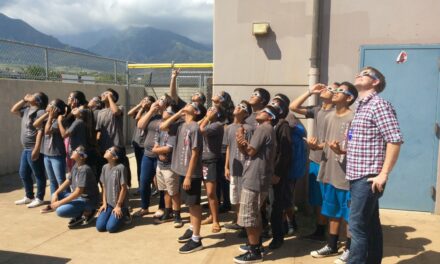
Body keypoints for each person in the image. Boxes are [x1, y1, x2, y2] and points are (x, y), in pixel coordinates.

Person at [344, 67, 403, 264]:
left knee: (357, 227)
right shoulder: (360, 107)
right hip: (356, 175)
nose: (359, 74)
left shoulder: (379, 105)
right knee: (370, 225)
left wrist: (383, 174)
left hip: (367, 177)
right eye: (359, 72)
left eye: (366, 73)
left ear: (376, 82)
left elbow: (394, 140)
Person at [309, 82, 358, 264]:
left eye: (341, 91)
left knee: (348, 215)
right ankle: (331, 245)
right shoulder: (329, 117)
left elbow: (354, 146)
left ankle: (350, 250)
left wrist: (342, 152)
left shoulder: (353, 118)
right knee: (332, 211)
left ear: (350, 98)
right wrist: (315, 146)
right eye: (336, 90)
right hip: (328, 171)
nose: (336, 92)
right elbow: (326, 144)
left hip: (346, 175)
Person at [289, 82, 338, 241]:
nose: (325, 89)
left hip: (330, 161)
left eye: (330, 89)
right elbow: (294, 107)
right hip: (315, 159)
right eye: (326, 87)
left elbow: (337, 141)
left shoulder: (337, 112)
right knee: (317, 197)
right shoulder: (317, 110)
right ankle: (319, 230)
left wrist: (318, 146)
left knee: (327, 198)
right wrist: (311, 91)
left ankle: (330, 234)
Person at [234, 105, 279, 263]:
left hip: (255, 178)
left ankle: (254, 252)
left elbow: (250, 151)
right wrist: (241, 141)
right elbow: (247, 151)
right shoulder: (268, 129)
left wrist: (241, 138)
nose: (259, 112)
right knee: (255, 214)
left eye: (264, 111)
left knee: (249, 216)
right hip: (258, 177)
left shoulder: (264, 128)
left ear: (270, 117)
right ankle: (257, 245)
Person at [160, 102, 206, 254]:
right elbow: (163, 126)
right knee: (189, 204)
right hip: (181, 171)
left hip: (190, 174)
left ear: (196, 111)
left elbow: (195, 153)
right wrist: (178, 113)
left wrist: (188, 176)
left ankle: (196, 239)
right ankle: (192, 228)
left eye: (192, 105)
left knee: (194, 205)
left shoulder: (194, 128)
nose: (188, 104)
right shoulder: (180, 125)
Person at [10, 92, 48, 208]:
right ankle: (29, 196)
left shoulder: (40, 112)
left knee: (38, 174)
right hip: (26, 149)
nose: (29, 95)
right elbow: (13, 110)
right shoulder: (27, 110)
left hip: (33, 148)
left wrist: (36, 149)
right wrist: (24, 99)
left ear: (38, 100)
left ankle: (39, 198)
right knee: (24, 173)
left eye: (33, 95)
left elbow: (40, 132)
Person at [33, 99, 68, 213]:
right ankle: (54, 204)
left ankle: (65, 202)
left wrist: (51, 117)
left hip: (57, 154)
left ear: (56, 109)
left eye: (50, 105)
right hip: (47, 154)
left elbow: (47, 131)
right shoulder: (48, 118)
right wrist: (47, 115)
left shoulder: (59, 120)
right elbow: (35, 124)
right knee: (52, 181)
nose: (47, 105)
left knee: (61, 180)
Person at [51, 145, 99, 227]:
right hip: (79, 198)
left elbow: (78, 192)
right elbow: (68, 181)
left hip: (88, 200)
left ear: (81, 157)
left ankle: (88, 211)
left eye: (76, 151)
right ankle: (79, 212)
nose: (73, 151)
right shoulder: (76, 166)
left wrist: (59, 203)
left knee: (60, 211)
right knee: (58, 194)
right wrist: (56, 193)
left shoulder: (84, 169)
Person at [267, 94, 292, 250]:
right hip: (270, 173)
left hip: (278, 175)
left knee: (276, 205)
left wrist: (277, 173)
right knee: (271, 204)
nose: (273, 104)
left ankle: (278, 237)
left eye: (277, 103)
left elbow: (285, 152)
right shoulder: (272, 124)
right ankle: (278, 230)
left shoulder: (283, 125)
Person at [152, 106, 183, 227]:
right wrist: (158, 152)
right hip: (160, 165)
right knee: (165, 190)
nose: (164, 112)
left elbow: (169, 148)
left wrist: (157, 150)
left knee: (174, 191)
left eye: (167, 112)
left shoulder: (174, 128)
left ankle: (177, 215)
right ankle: (168, 211)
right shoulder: (160, 127)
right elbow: (156, 144)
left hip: (170, 165)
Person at [224, 101, 253, 231]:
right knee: (234, 197)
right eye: (238, 105)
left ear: (246, 113)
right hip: (233, 167)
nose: (238, 107)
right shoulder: (229, 128)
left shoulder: (249, 128)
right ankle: (238, 221)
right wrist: (226, 166)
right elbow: (229, 147)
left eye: (242, 107)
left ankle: (244, 224)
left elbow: (251, 148)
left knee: (243, 197)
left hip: (245, 167)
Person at [199, 105, 225, 233]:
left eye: (213, 110)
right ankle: (211, 216)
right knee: (207, 192)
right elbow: (193, 127)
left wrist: (207, 117)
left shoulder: (217, 125)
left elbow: (200, 130)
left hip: (212, 161)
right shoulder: (208, 123)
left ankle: (216, 220)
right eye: (209, 109)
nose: (210, 110)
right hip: (202, 161)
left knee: (211, 192)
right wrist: (206, 117)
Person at [96, 146, 130, 233]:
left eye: (110, 150)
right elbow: (104, 186)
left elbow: (124, 188)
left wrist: (118, 206)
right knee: (100, 226)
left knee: (110, 228)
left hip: (120, 204)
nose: (107, 150)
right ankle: (112, 215)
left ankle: (125, 213)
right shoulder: (104, 167)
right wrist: (104, 203)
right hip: (109, 204)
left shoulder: (121, 168)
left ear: (115, 157)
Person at [128, 96, 155, 190]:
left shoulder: (153, 113)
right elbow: (130, 113)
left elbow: (138, 119)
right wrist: (140, 105)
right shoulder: (141, 111)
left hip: (145, 143)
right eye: (144, 99)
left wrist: (144, 108)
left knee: (148, 166)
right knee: (139, 165)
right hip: (137, 142)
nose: (145, 101)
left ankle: (154, 186)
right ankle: (141, 186)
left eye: (147, 100)